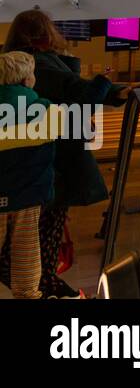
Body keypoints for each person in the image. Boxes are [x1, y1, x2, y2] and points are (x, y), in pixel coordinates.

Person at [1, 10, 126, 298]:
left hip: (17, 178)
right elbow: (78, 93)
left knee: (26, 245)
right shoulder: (40, 64)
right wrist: (111, 87)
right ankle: (55, 294)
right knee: (36, 249)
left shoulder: (8, 71)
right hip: (48, 175)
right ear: (45, 35)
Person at [0, 51, 60, 299]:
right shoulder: (45, 110)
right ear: (26, 79)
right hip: (29, 195)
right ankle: (27, 294)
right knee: (26, 251)